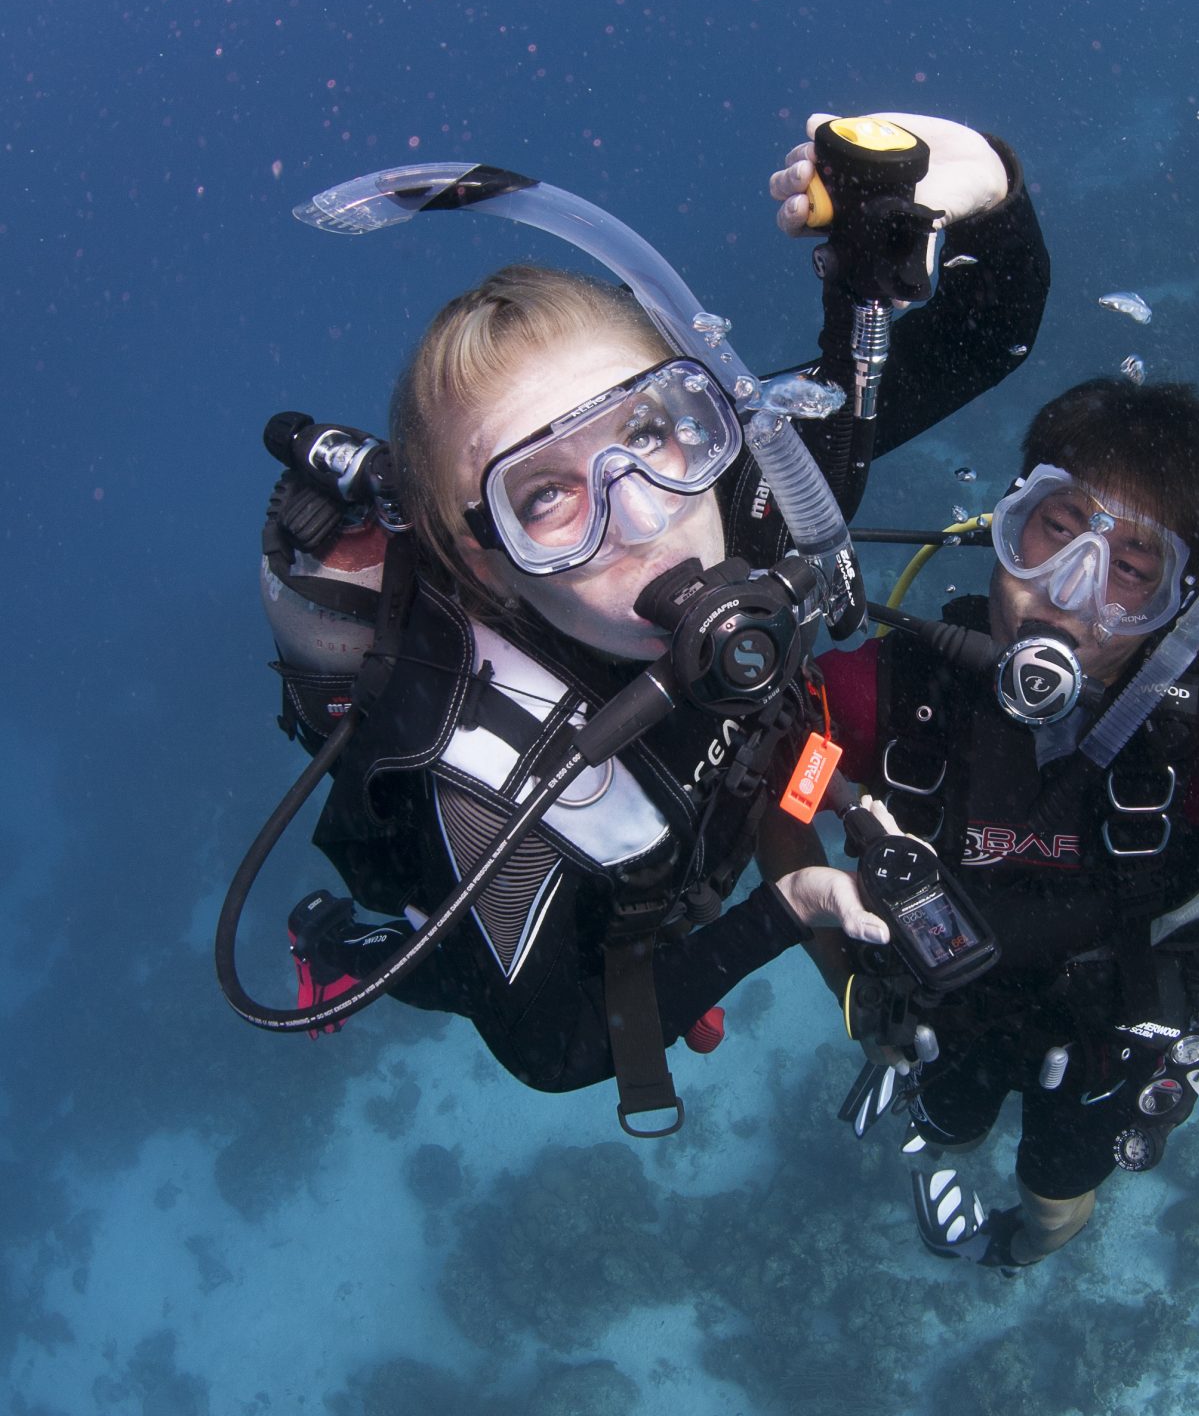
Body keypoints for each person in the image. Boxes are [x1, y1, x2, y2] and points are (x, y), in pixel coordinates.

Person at [234, 114, 1049, 1134]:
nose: (644, 509)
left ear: (707, 414)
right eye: (543, 498)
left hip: (706, 799)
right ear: (484, 558)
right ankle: (340, 944)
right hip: (567, 904)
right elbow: (557, 1046)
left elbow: (992, 334)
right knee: (441, 961)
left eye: (652, 430)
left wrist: (983, 183)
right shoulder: (476, 780)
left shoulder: (759, 487)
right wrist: (775, 916)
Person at [808, 373, 1199, 1267]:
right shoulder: (900, 689)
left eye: (1134, 571)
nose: (1066, 593)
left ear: (1186, 601)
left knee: (1059, 1193)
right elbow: (765, 781)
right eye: (1053, 532)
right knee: (943, 1125)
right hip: (938, 1021)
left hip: (1114, 1053)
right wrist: (847, 980)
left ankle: (1022, 1248)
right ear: (1002, 520)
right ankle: (943, 1167)